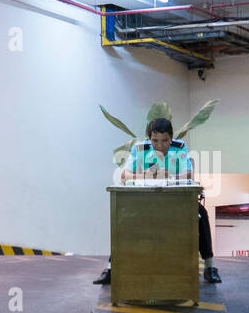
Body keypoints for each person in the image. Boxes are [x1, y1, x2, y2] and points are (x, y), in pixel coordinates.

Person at [94, 117, 221, 285]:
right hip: (147, 201)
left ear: (171, 137)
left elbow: (189, 174)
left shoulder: (180, 147)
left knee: (200, 213)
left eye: (165, 140)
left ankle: (210, 267)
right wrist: (146, 175)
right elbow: (125, 175)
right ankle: (111, 268)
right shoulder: (139, 149)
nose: (160, 145)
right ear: (149, 138)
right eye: (155, 140)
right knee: (122, 217)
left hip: (176, 201)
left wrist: (170, 176)